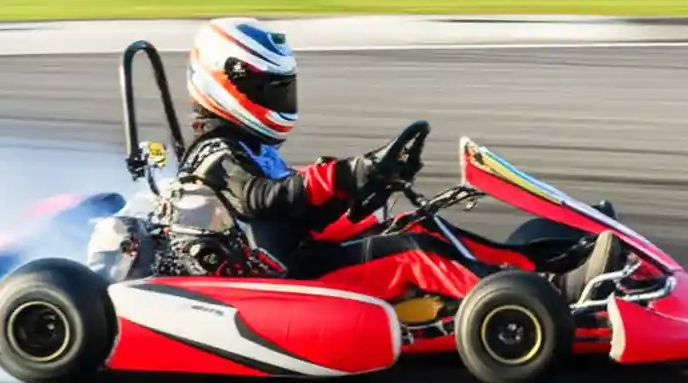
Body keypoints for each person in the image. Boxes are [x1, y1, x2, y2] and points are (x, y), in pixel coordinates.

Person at [172, 16, 626, 305]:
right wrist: (346, 172)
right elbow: (261, 200)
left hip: (312, 257)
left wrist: (371, 183)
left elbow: (299, 212)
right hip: (294, 284)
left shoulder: (256, 151)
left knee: (418, 227)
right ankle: (538, 299)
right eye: (272, 89)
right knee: (413, 253)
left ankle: (551, 266)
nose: (282, 98)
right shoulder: (212, 154)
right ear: (226, 84)